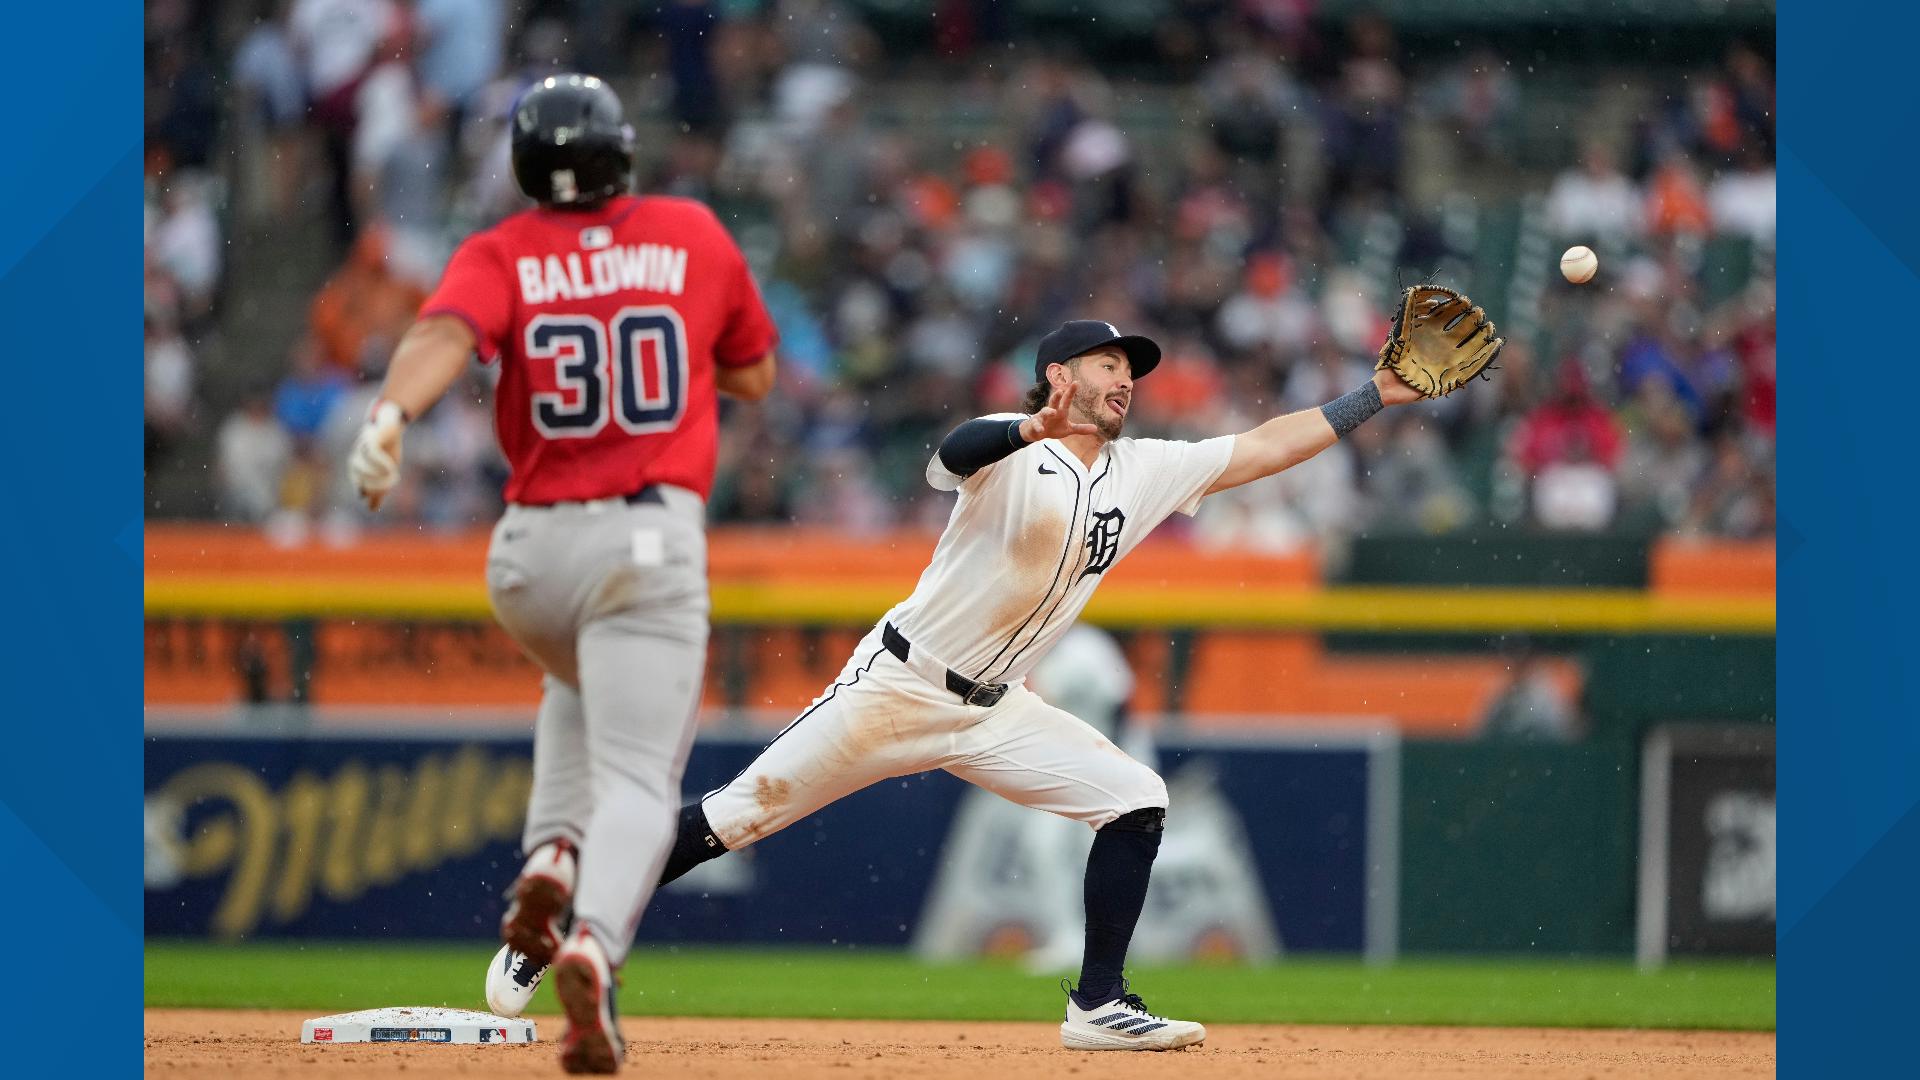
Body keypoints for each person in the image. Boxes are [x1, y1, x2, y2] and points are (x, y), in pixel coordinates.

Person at [652, 318, 1436, 1051]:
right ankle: (538, 936)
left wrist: (1376, 395)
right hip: (898, 689)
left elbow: (1265, 446)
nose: (1125, 380)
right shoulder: (1015, 452)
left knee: (1136, 799)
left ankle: (1097, 1003)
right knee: (734, 819)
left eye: (1131, 370)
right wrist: (1029, 427)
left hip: (998, 709)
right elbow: (947, 457)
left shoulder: (1143, 470)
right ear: (1058, 375)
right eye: (1108, 365)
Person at [345, 74, 777, 1074]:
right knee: (638, 773)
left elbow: (440, 335)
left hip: (528, 554)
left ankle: (548, 855)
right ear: (623, 151)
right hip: (644, 539)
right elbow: (754, 372)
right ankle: (593, 945)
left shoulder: (502, 250)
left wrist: (391, 417)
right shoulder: (692, 234)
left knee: (576, 681)